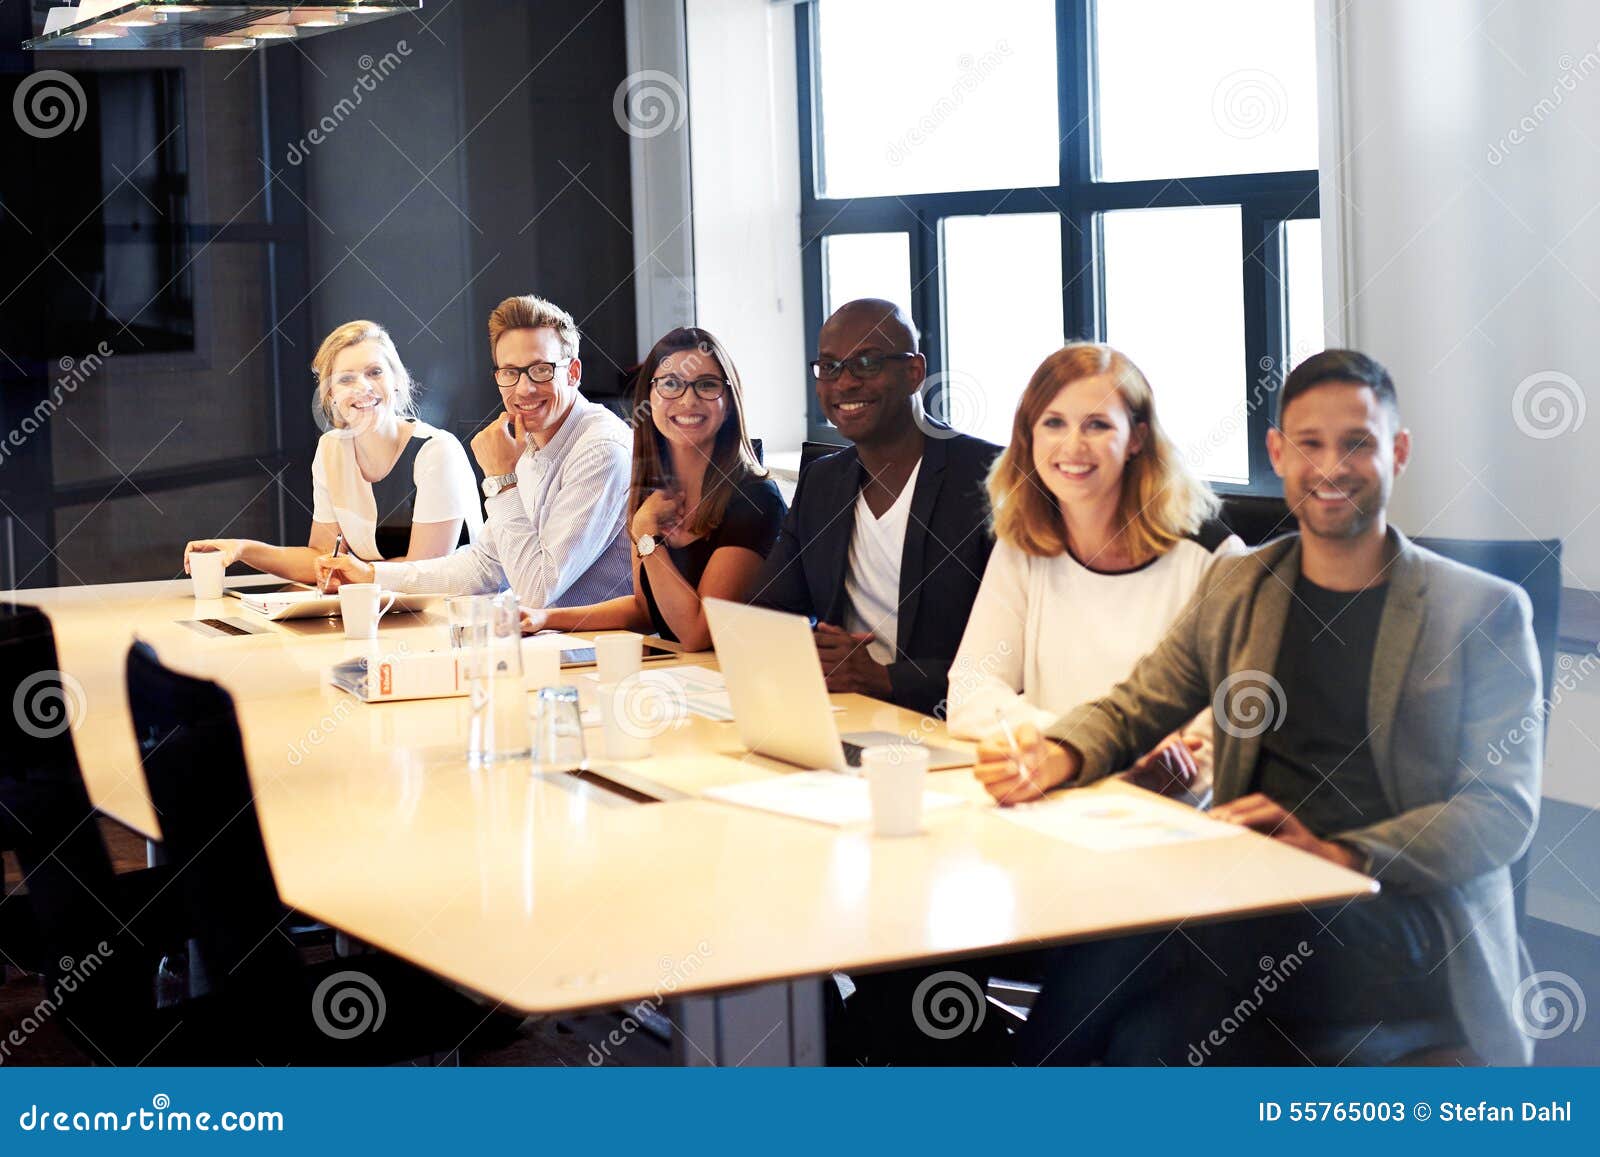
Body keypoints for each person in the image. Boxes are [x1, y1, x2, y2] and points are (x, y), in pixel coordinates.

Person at [975, 350, 1542, 1067]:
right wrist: (1054, 753)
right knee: (1145, 1039)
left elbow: (1501, 810)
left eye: (1357, 443)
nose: (1330, 466)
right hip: (1253, 892)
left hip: (1397, 907)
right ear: (1278, 452)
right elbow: (1135, 705)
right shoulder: (1242, 586)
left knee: (1174, 907)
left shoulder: (1479, 610)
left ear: (1398, 451)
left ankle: (1014, 1098)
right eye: (1309, 443)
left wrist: (1337, 851)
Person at [946, 343, 1242, 794]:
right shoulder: (1022, 544)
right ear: (1028, 437)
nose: (1072, 446)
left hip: (1170, 811)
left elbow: (1223, 733)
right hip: (1056, 789)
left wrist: (1064, 748)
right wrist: (1076, 751)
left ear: (1137, 438)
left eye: (1098, 425)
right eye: (1054, 423)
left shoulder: (1212, 558)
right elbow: (971, 691)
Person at [751, 298, 999, 716]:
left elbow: (1018, 656)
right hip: (847, 712)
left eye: (866, 363)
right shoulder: (821, 481)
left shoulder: (990, 479)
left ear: (915, 373)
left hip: (951, 724)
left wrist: (883, 678)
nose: (844, 383)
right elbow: (769, 614)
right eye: (829, 367)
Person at [317, 294, 632, 609]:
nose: (524, 389)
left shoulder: (601, 449)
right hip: (544, 641)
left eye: (541, 369)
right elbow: (483, 566)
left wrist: (502, 478)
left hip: (600, 649)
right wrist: (370, 575)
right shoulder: (528, 438)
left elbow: (538, 590)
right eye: (510, 372)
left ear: (573, 372)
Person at [520, 327, 785, 649]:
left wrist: (648, 536)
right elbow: (646, 610)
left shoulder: (755, 500)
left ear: (729, 401)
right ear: (649, 397)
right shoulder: (650, 494)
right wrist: (544, 619)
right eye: (671, 384)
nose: (688, 400)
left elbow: (697, 634)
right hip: (684, 675)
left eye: (707, 385)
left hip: (737, 681)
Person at [182, 321, 480, 584]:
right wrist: (242, 550)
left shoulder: (436, 452)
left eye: (374, 372)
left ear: (397, 381)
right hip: (383, 615)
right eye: (346, 379)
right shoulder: (331, 449)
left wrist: (352, 571)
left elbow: (422, 572)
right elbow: (322, 559)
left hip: (457, 621)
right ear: (331, 396)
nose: (362, 387)